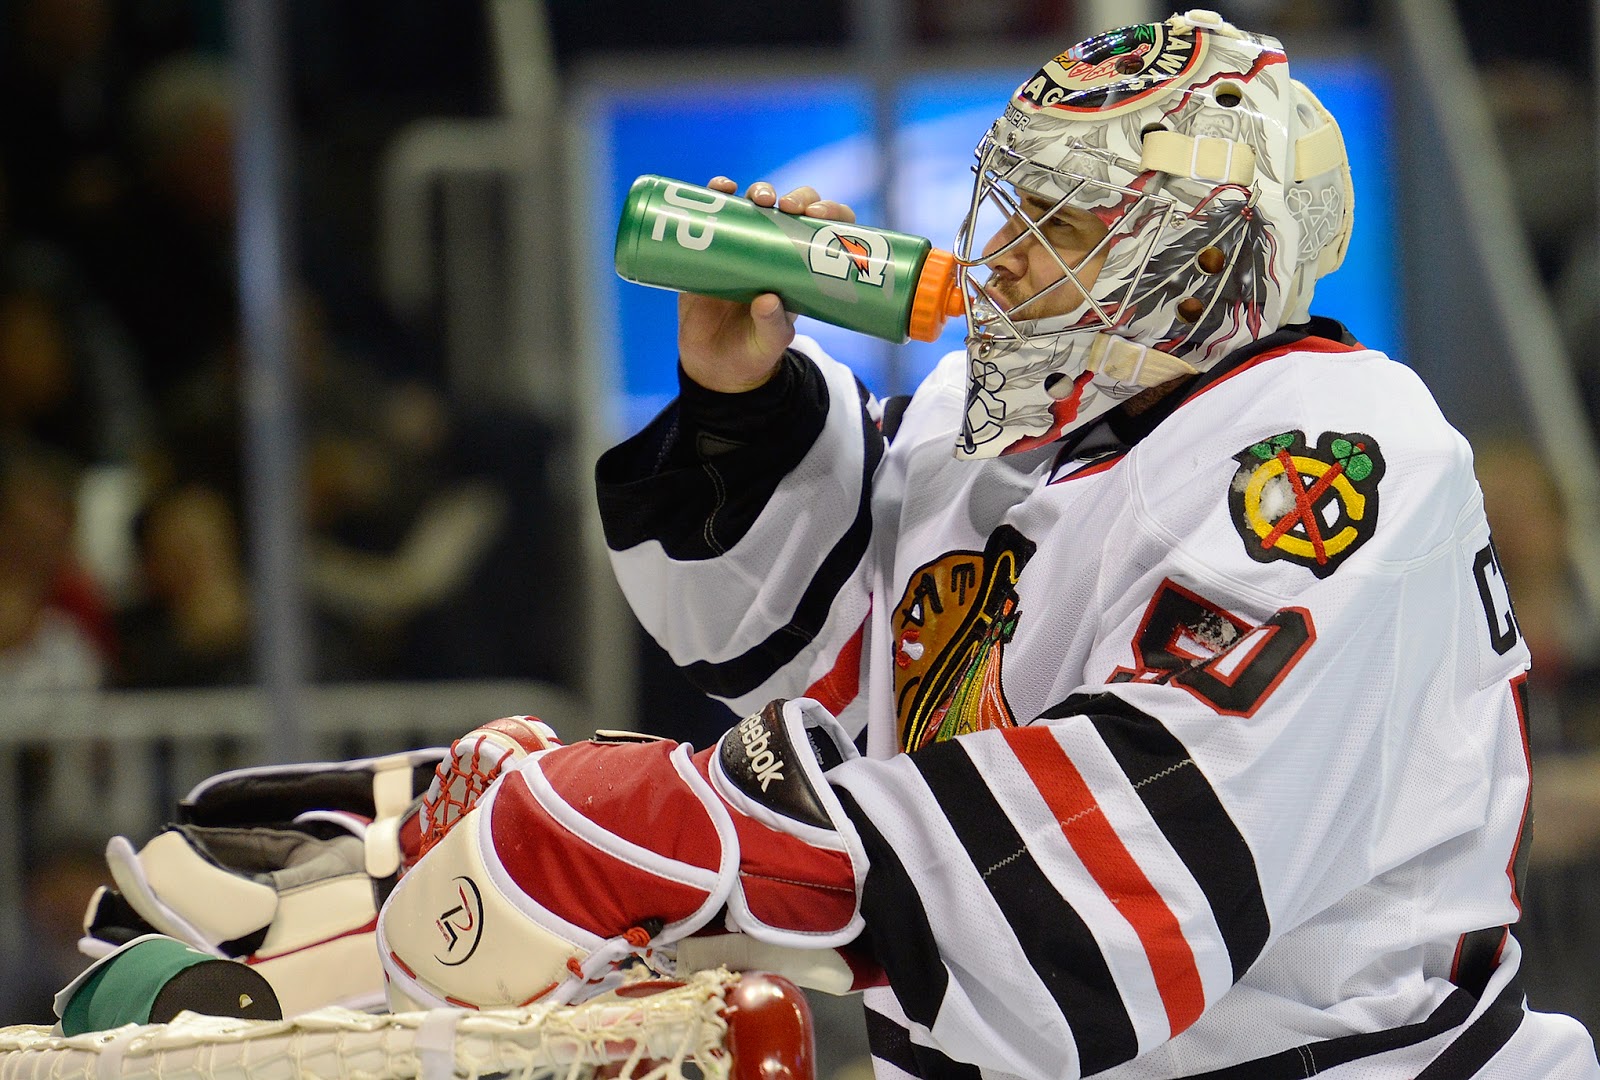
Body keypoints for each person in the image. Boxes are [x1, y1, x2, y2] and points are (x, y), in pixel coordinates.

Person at [90, 10, 1600, 1079]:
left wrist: (679, 831)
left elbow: (1137, 864)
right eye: (1015, 203)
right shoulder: (995, 415)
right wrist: (744, 404)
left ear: (1205, 263)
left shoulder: (1335, 461)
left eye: (1063, 222)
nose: (1003, 250)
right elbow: (792, 658)